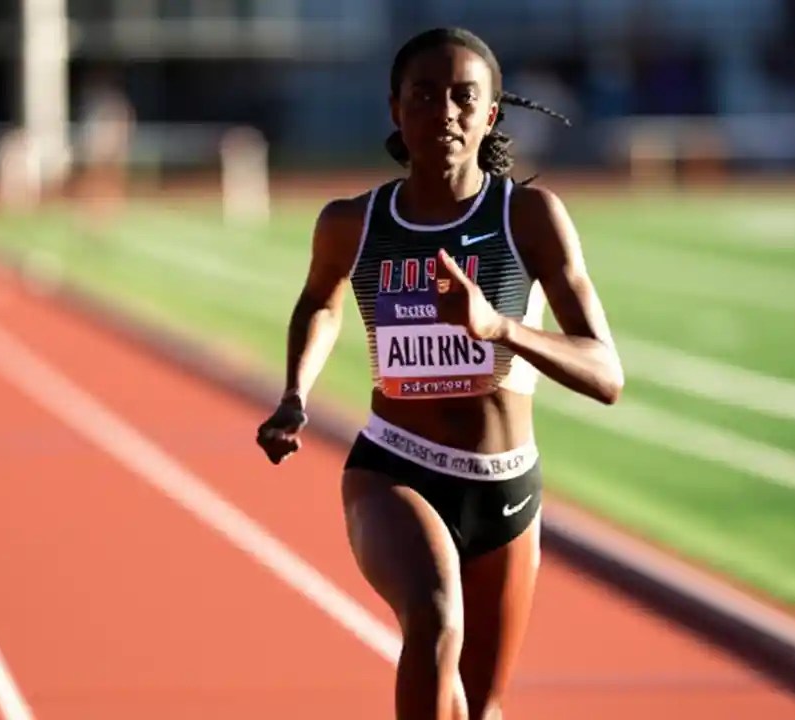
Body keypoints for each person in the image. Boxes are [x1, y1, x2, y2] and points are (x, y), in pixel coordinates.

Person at [255, 27, 623, 720]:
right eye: (425, 95)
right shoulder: (352, 223)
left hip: (507, 488)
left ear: (489, 116)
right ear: (395, 109)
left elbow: (606, 373)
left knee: (480, 708)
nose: (445, 112)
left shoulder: (530, 218)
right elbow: (320, 303)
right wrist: (295, 394)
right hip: (396, 467)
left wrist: (499, 328)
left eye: (464, 97)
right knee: (435, 620)